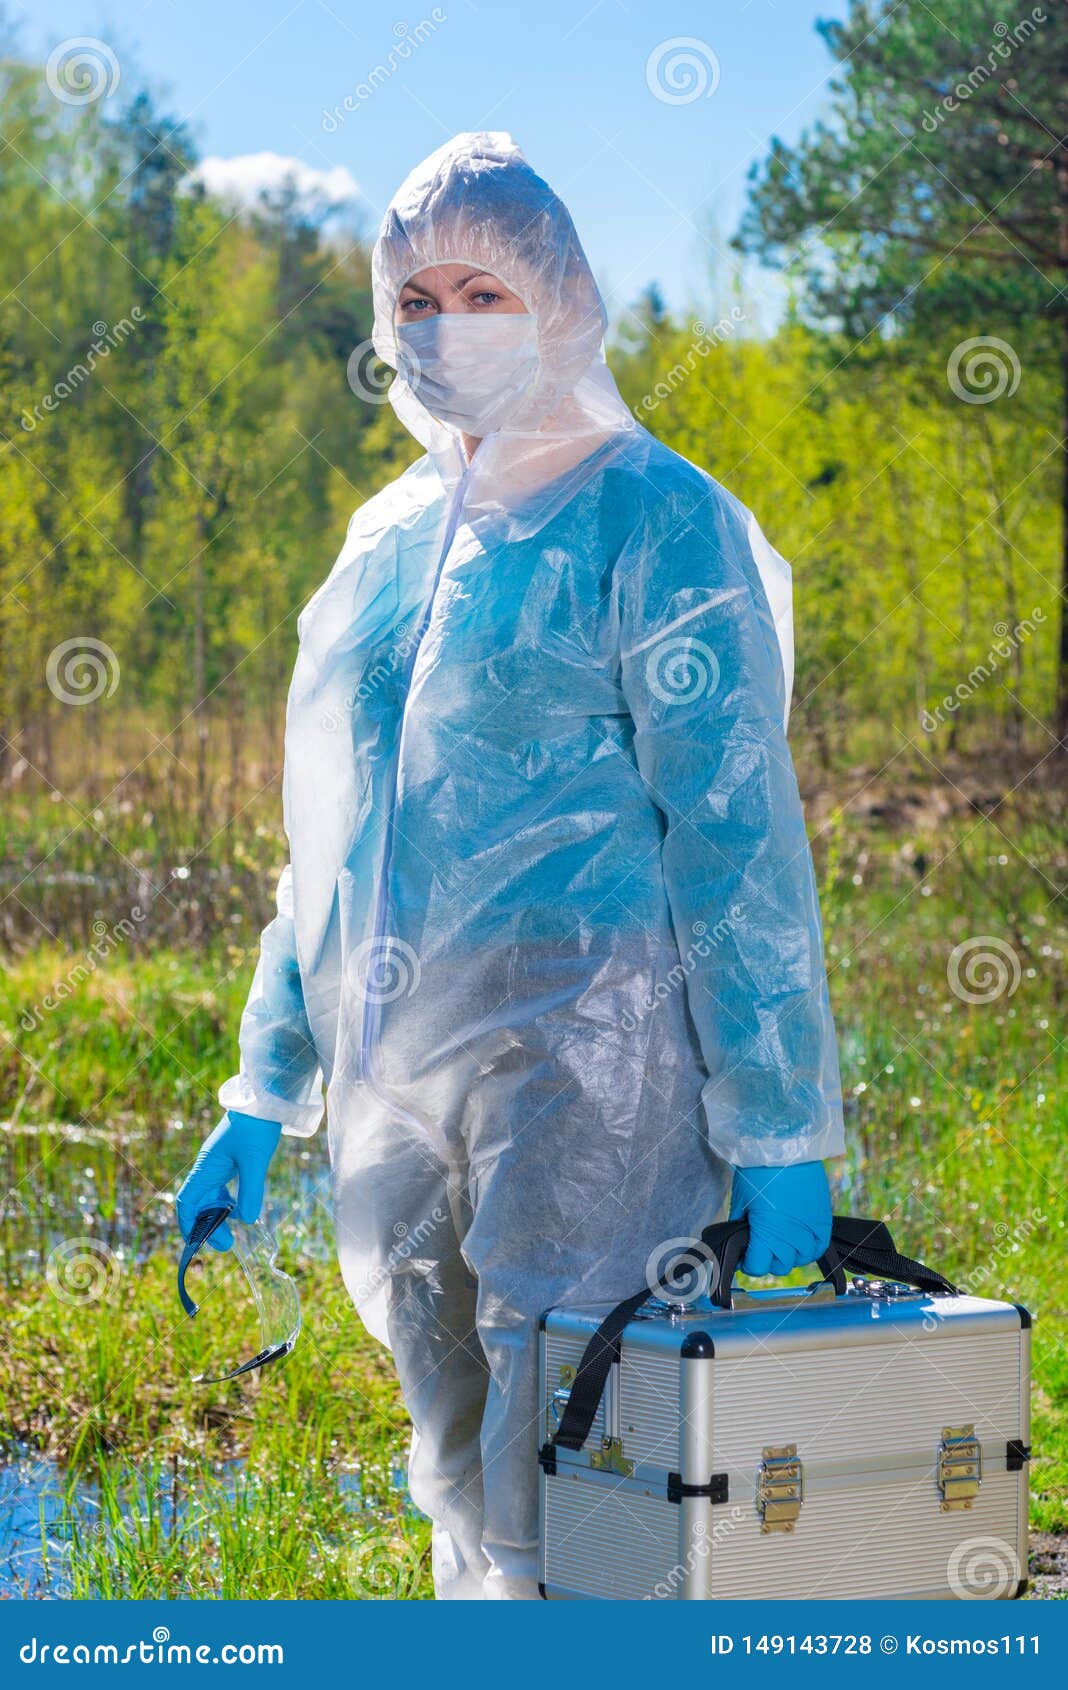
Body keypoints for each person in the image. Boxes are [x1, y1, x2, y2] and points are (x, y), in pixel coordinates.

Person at [177, 132, 845, 1600]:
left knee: (586, 1447)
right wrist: (261, 1091)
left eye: (478, 289)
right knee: (455, 1459)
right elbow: (333, 839)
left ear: (555, 297)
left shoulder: (657, 520)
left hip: (593, 1069)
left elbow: (733, 837)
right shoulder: (389, 547)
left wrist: (785, 1120)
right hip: (399, 1066)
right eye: (412, 297)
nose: (439, 325)